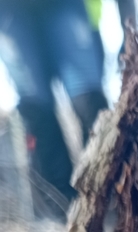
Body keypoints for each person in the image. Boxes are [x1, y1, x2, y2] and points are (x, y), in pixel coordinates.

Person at [0, 0, 108, 218]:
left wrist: (128, 20)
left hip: (67, 5)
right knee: (36, 112)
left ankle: (106, 194)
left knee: (89, 104)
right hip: (9, 12)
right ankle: (62, 212)